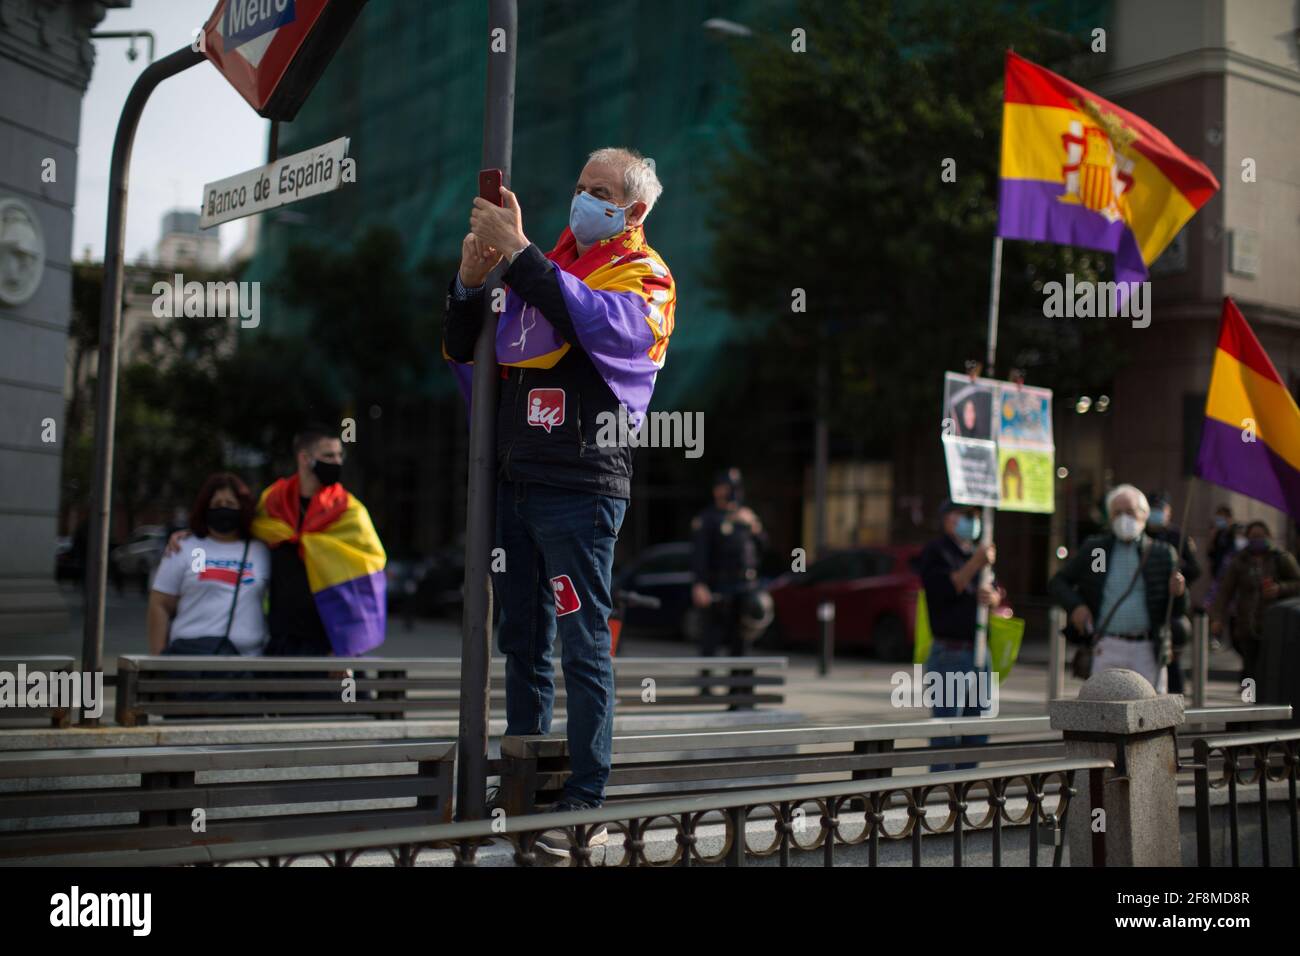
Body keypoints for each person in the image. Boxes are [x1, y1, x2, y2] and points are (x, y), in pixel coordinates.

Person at [443, 146, 676, 852]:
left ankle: (583, 796)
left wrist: (519, 254)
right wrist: (469, 278)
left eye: (599, 190)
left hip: (581, 486)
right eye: (579, 185)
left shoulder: (645, 276)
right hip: (517, 483)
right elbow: (466, 348)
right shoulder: (539, 269)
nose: (582, 197)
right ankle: (524, 776)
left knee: (582, 642)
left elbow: (605, 326)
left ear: (632, 210)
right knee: (523, 640)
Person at [165, 426, 387, 657]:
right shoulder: (272, 504)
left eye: (340, 455)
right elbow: (238, 530)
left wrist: (346, 648)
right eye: (329, 456)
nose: (337, 462)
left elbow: (366, 580)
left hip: (332, 644)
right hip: (281, 641)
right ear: (305, 458)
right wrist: (193, 534)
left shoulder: (349, 512)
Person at [1049, 484, 1186, 693]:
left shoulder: (1162, 553)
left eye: (1129, 512)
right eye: (1117, 513)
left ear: (1143, 515)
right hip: (1107, 645)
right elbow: (1059, 582)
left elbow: (1177, 609)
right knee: (1103, 710)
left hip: (1148, 648)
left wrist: (1179, 592)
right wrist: (1076, 606)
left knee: (1151, 711)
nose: (1123, 518)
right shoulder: (1098, 550)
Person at [915, 501, 1004, 771]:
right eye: (967, 515)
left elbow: (996, 592)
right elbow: (944, 588)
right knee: (946, 731)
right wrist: (977, 562)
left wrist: (994, 597)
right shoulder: (937, 552)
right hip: (950, 652)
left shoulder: (977, 553)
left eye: (976, 516)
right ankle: (939, 795)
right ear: (948, 519)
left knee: (976, 729)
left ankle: (963, 790)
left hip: (979, 650)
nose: (973, 521)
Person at [148, 473, 270, 658]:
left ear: (243, 507)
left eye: (230, 504)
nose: (223, 509)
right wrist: (157, 660)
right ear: (205, 508)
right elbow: (160, 604)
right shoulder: (184, 547)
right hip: (191, 661)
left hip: (247, 664)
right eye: (216, 504)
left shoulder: (261, 551)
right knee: (91, 682)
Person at [690, 468, 767, 708]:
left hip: (744, 586)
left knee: (741, 642)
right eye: (725, 487)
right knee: (711, 638)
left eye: (732, 487)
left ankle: (741, 693)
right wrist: (699, 583)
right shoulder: (709, 519)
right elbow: (700, 555)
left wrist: (754, 526)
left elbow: (764, 548)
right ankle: (706, 687)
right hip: (718, 587)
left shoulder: (746, 517)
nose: (729, 492)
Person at [1212, 520, 1300, 685]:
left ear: (1268, 536)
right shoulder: (1240, 561)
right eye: (1253, 536)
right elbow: (1225, 591)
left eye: (1260, 536)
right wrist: (1217, 617)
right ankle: (1249, 703)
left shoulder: (1281, 558)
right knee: (1250, 669)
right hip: (1247, 626)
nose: (1256, 539)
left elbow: (1297, 583)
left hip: (1274, 625)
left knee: (1270, 669)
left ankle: (1268, 704)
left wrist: (1280, 588)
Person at [1145, 489, 1201, 693]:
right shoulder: (1140, 533)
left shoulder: (1177, 536)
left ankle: (1176, 697)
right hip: (1146, 604)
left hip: (1170, 604)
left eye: (1161, 509)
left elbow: (1195, 569)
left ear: (1168, 511)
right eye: (1153, 509)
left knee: (1171, 655)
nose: (1156, 513)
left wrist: (1175, 576)